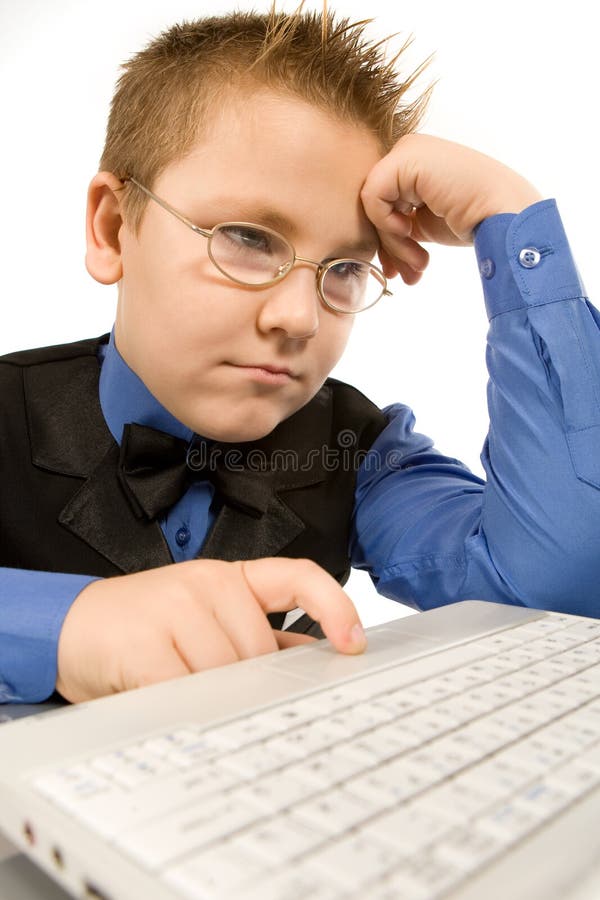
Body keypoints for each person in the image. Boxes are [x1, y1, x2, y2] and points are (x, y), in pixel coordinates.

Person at [1, 6, 599, 706]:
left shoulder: (362, 449)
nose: (297, 318)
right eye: (249, 239)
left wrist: (510, 222)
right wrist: (62, 626)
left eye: (344, 268)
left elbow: (554, 591)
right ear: (111, 228)